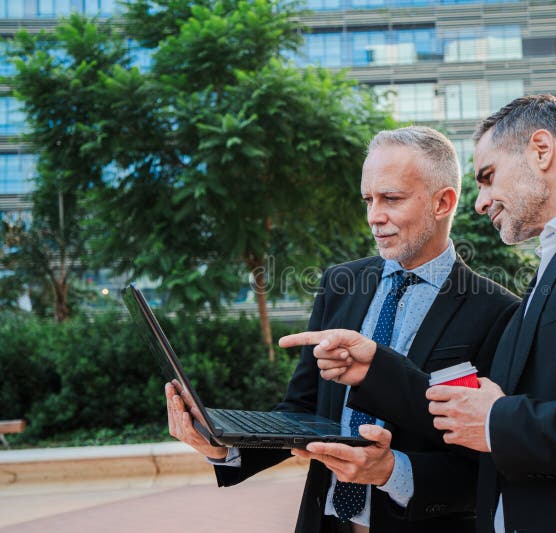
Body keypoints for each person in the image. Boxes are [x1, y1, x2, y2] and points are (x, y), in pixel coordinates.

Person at [282, 95, 556, 533]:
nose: (481, 202)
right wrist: (376, 369)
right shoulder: (550, 271)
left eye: (488, 176)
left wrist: (498, 423)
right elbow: (478, 411)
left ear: (541, 151)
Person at [166, 125, 519, 533]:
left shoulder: (497, 312)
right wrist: (223, 444)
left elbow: (485, 469)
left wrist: (391, 472)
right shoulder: (340, 284)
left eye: (391, 198)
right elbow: (302, 412)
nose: (374, 217)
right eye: (368, 200)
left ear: (443, 202)